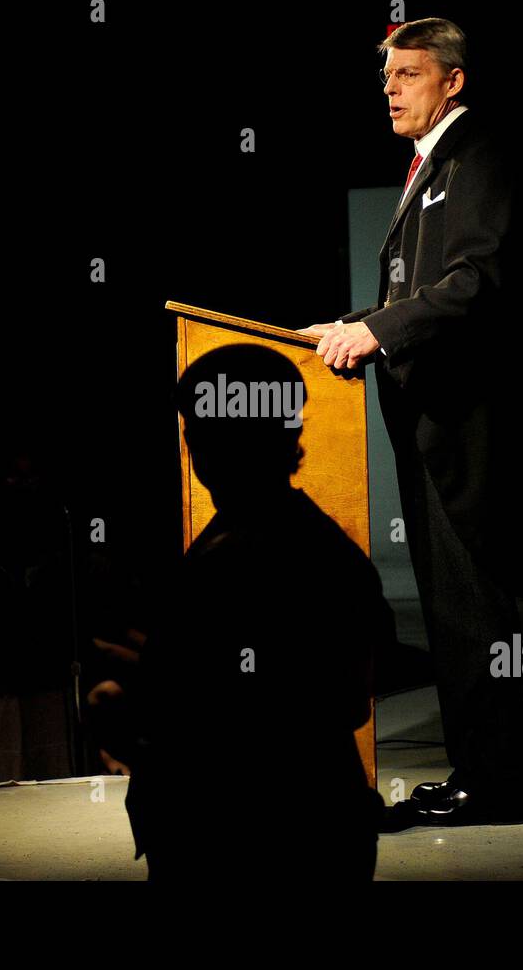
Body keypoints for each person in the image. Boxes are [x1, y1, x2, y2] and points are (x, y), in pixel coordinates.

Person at [298, 18, 523, 827]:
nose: (390, 89)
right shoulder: (430, 165)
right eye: (385, 77)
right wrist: (348, 324)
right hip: (427, 420)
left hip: (464, 423)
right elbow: (412, 295)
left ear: (452, 80)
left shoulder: (477, 156)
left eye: (407, 73)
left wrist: (378, 332)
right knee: (449, 608)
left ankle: (494, 784)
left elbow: (475, 281)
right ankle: (479, 771)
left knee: (473, 605)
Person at [121, 344, 391, 879]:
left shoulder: (228, 563)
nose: (191, 445)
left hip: (237, 841)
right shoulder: (333, 549)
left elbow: (196, 720)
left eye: (196, 431)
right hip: (323, 822)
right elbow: (353, 698)